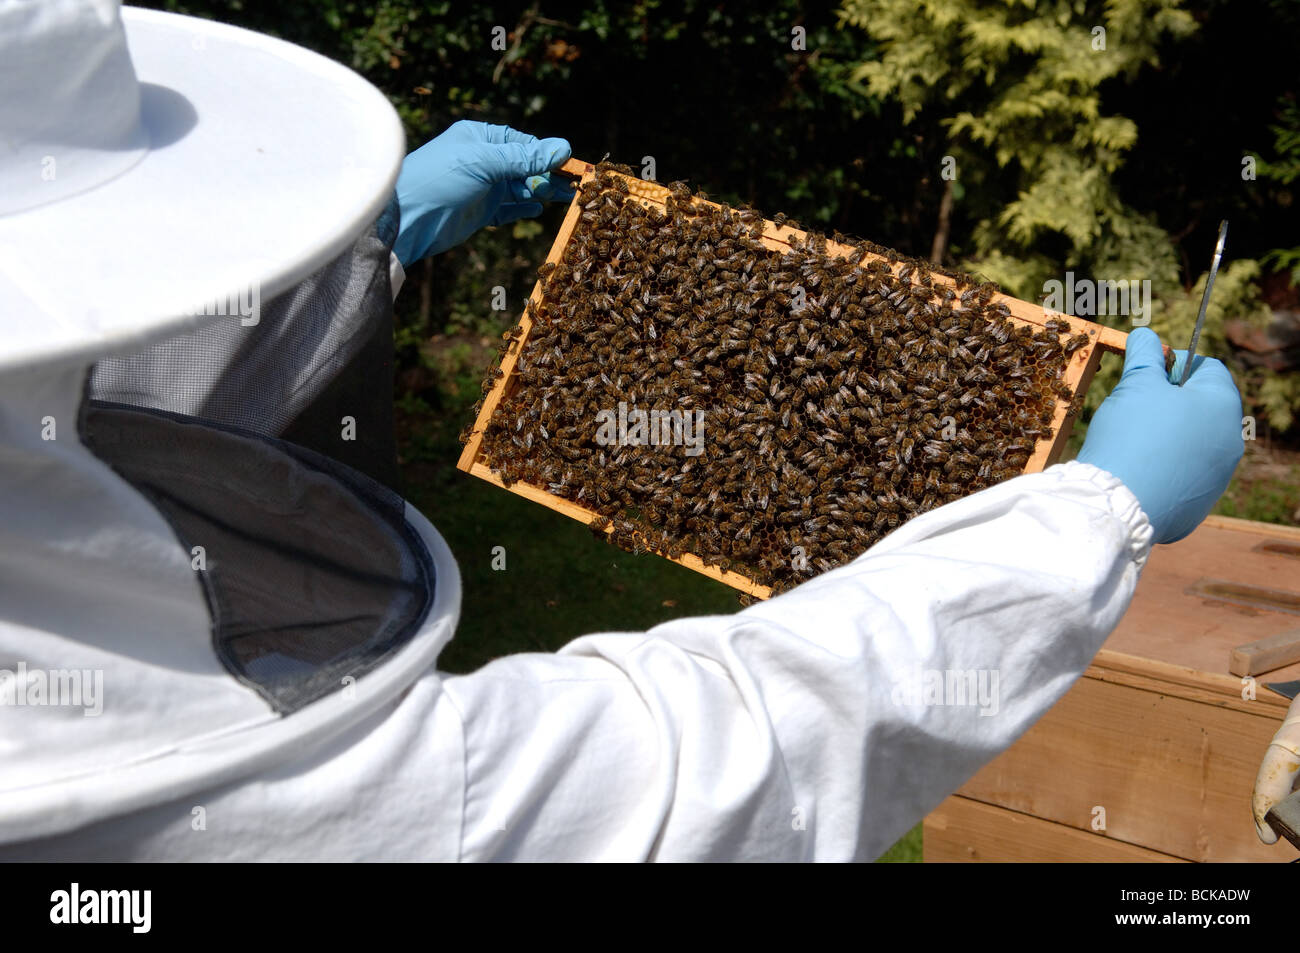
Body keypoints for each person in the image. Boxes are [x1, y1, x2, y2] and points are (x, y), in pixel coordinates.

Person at [0, 1, 1247, 862]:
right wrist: (1088, 516)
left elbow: (87, 425)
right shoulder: (129, 772)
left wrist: (362, 251)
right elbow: (683, 785)